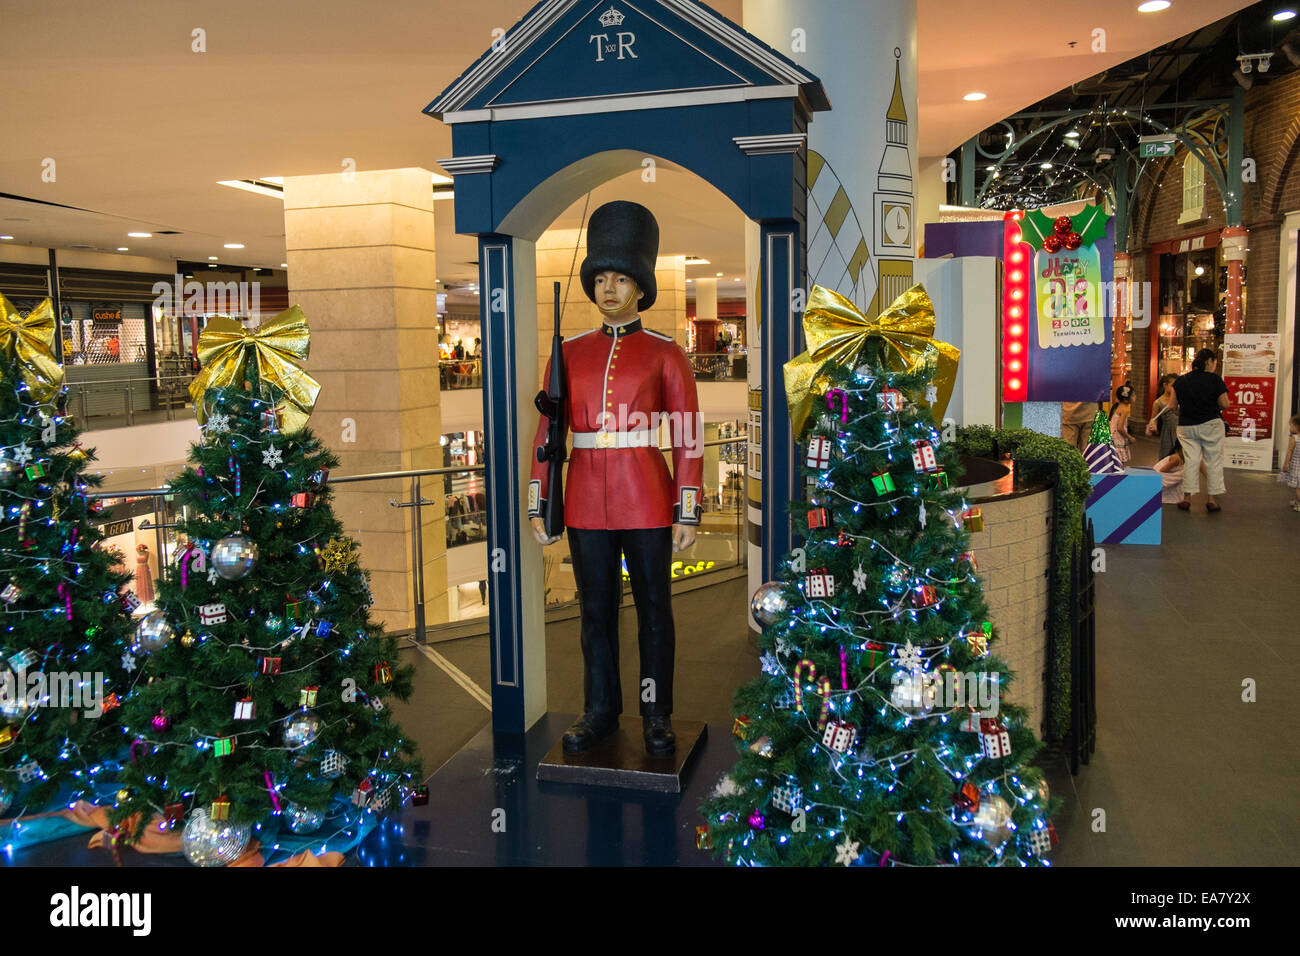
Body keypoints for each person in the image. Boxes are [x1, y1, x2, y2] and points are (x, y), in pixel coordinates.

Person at [528, 201, 702, 757]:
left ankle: (656, 713)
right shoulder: (569, 352)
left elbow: (687, 435)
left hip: (647, 497)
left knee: (655, 613)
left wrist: (688, 507)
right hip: (583, 501)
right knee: (593, 614)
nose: (607, 289)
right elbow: (547, 432)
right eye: (600, 278)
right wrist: (539, 501)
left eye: (619, 278)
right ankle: (601, 710)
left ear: (640, 287)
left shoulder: (666, 354)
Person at [1173, 348, 1229, 513]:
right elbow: (1225, 404)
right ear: (1209, 362)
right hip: (1210, 424)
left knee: (1191, 461)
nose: (1214, 365)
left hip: (1186, 426)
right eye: (1214, 362)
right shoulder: (1215, 379)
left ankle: (1186, 498)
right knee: (1213, 461)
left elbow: (1171, 405)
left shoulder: (1181, 381)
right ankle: (1211, 500)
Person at [1146, 373, 1180, 460]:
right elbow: (1153, 419)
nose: (1174, 389)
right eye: (1172, 386)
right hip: (1167, 432)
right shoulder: (1158, 402)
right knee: (1166, 456)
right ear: (1165, 385)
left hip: (1180, 431)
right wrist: (1154, 427)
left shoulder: (1179, 399)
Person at [1280, 413, 1300, 512]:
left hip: (1297, 466)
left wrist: (1286, 464)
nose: (1290, 427)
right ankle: (1297, 501)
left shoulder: (1294, 438)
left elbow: (1289, 452)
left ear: (1296, 426)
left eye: (1290, 425)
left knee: (1298, 487)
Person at [1110, 383, 1134, 466]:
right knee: (1119, 462)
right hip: (1118, 438)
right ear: (1126, 399)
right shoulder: (1124, 409)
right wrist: (1129, 437)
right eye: (1133, 395)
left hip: (1113, 436)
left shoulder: (1118, 406)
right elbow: (1120, 428)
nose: (1135, 397)